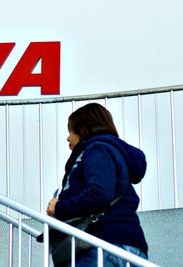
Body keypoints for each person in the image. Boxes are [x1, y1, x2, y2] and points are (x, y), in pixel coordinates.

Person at [46, 103, 149, 267]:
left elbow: (99, 192)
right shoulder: (111, 152)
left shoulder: (97, 149)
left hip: (100, 247)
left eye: (71, 131)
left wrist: (60, 207)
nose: (68, 138)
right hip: (126, 248)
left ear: (84, 129)